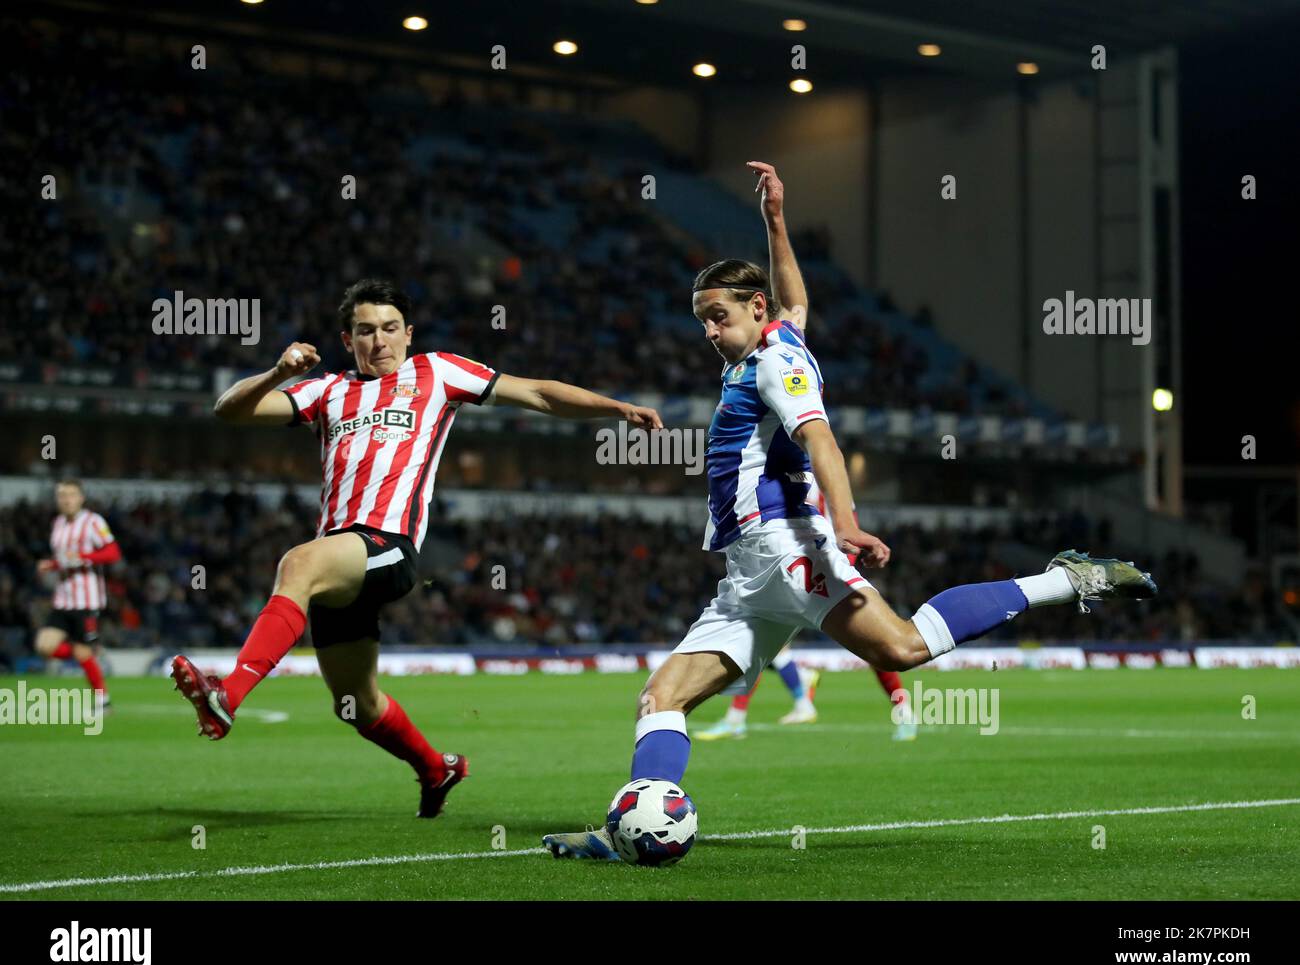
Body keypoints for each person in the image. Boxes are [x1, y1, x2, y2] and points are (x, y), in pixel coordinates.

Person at [542, 163, 1155, 859]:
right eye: (701, 319)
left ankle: (1066, 579)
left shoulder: (775, 363)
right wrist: (774, 221)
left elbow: (821, 439)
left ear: (754, 309)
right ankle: (625, 833)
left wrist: (846, 521)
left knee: (902, 648)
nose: (709, 330)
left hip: (789, 547)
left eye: (718, 315)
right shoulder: (777, 342)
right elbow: (797, 302)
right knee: (661, 696)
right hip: (749, 574)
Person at [171, 278, 661, 818]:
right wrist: (280, 374)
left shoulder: (438, 371)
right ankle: (436, 768)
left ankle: (229, 693)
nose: (377, 340)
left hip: (388, 547)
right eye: (364, 331)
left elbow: (539, 392)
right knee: (356, 706)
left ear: (408, 333)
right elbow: (228, 410)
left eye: (388, 328)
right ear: (347, 338)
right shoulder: (326, 391)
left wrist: (615, 407)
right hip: (343, 564)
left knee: (298, 562)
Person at [34, 479, 121, 707]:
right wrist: (51, 565)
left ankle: (103, 700)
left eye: (71, 494)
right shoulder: (58, 523)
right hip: (63, 599)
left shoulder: (93, 521)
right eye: (62, 495)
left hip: (86, 599)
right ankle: (88, 654)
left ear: (81, 497)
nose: (66, 499)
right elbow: (65, 559)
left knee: (81, 651)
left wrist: (85, 557)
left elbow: (113, 552)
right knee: (44, 646)